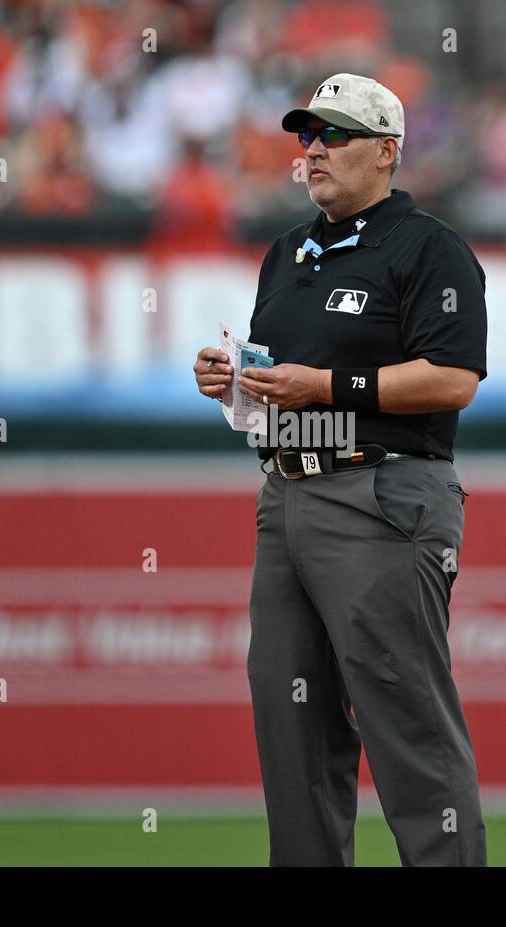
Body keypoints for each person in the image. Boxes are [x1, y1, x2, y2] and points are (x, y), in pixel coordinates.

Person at [192, 73, 488, 866]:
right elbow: (283, 380)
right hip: (286, 490)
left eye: (336, 135)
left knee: (406, 724)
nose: (313, 150)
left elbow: (455, 379)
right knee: (292, 730)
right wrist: (235, 383)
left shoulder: (429, 248)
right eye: (306, 135)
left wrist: (327, 386)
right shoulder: (287, 253)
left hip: (381, 492)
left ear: (388, 152)